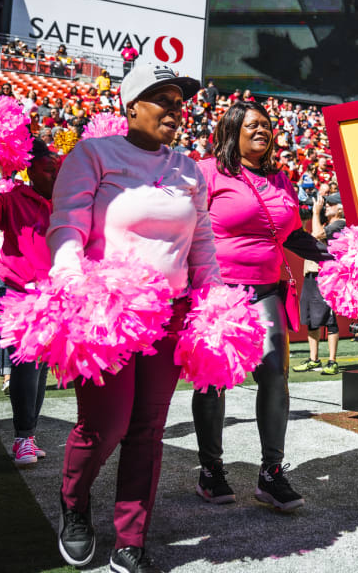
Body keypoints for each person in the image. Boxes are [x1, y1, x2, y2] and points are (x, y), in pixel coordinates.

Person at [47, 60, 219, 573]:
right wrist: (74, 284)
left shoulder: (189, 168)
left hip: (170, 312)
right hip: (108, 312)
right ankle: (75, 506)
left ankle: (131, 538)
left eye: (179, 101)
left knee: (148, 427)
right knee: (106, 425)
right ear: (130, 106)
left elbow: (203, 243)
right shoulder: (94, 154)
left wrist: (212, 299)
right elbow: (67, 227)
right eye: (161, 98)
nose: (174, 109)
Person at [188, 99, 330, 510]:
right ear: (232, 130)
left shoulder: (281, 180)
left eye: (266, 125)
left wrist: (332, 253)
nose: (262, 130)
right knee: (213, 379)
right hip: (218, 291)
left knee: (274, 374)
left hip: (265, 289)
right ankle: (211, 469)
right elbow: (183, 224)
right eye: (252, 125)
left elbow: (291, 236)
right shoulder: (208, 172)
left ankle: (271, 473)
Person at [0, 139, 61, 467]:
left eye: (57, 167)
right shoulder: (13, 199)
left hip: (54, 295)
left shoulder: (65, 200)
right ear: (30, 170)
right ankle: (23, 437)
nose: (55, 173)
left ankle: (29, 435)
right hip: (19, 291)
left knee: (40, 369)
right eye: (48, 169)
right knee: (25, 364)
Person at [295, 192, 345, 375]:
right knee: (311, 318)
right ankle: (314, 359)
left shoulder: (339, 223)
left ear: (340, 208)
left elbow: (317, 234)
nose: (326, 206)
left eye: (331, 205)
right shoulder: (325, 221)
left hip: (326, 277)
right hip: (311, 273)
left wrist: (315, 212)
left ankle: (332, 361)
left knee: (329, 319)